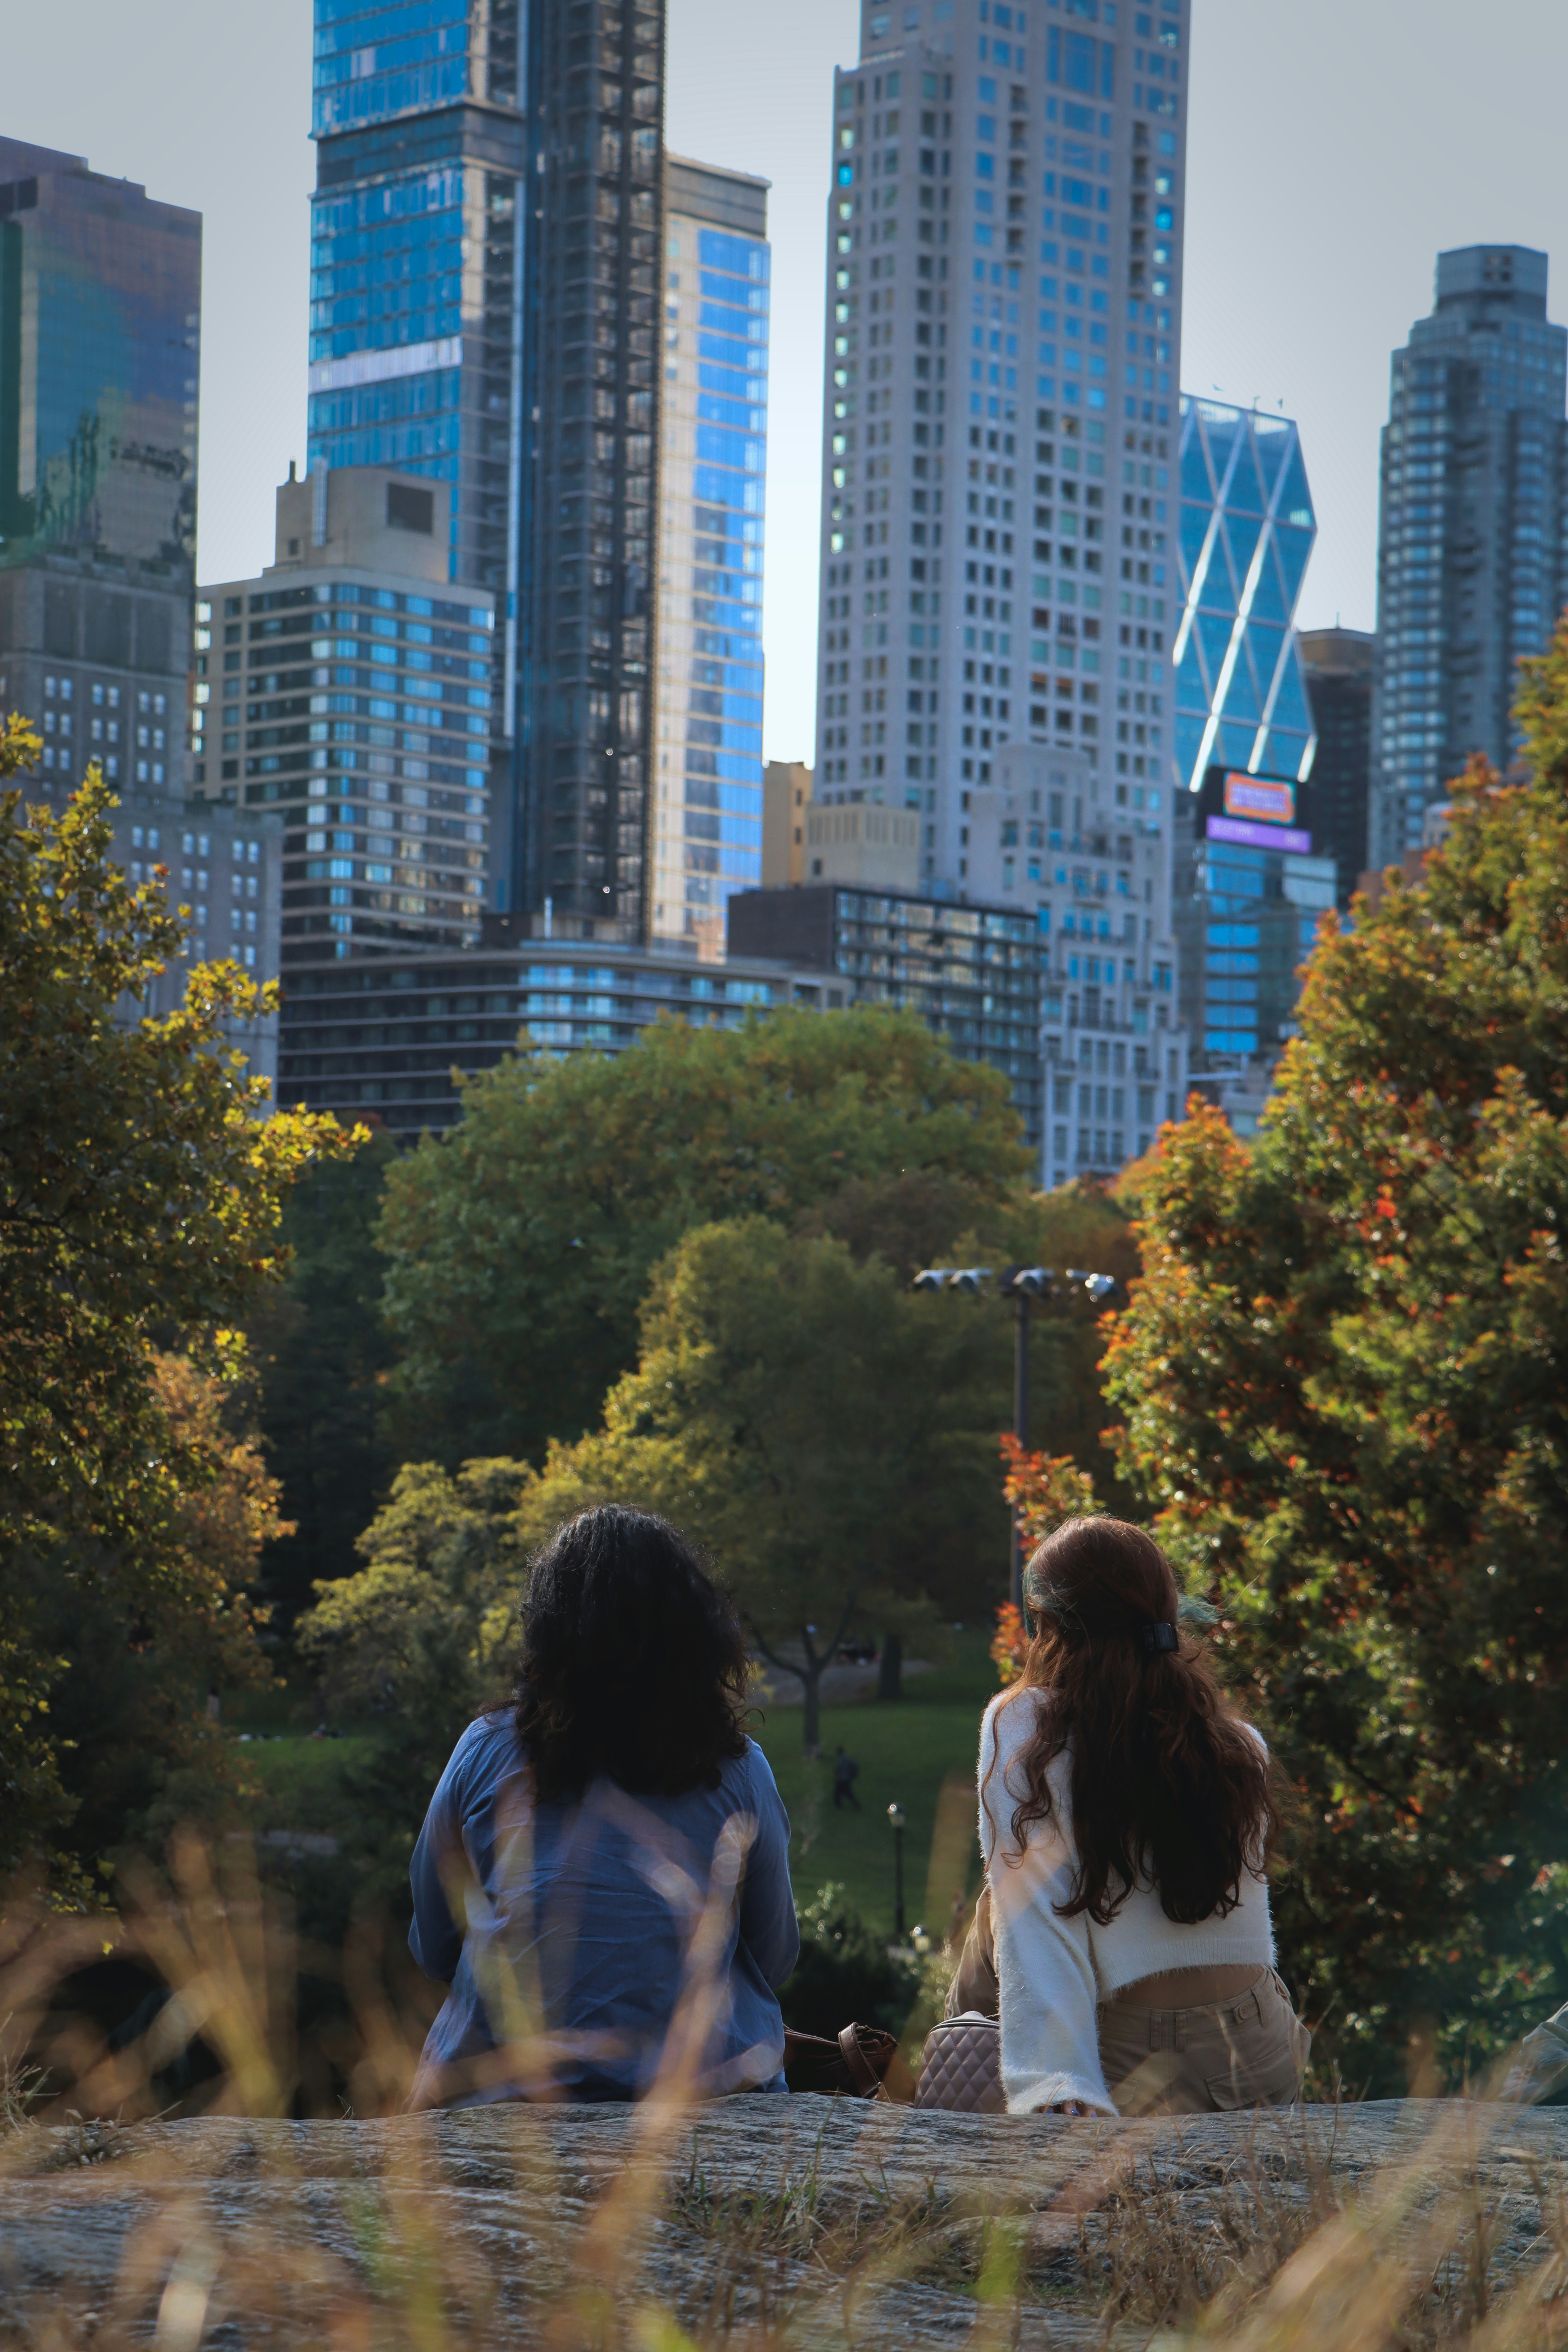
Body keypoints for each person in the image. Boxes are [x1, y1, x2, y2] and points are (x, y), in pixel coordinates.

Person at [407, 1506, 800, 2107]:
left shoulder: (484, 1750)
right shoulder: (739, 1770)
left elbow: (433, 1944)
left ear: (547, 1632)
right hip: (697, 2102)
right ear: (696, 1635)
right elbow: (774, 1957)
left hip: (493, 2099)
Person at [971, 1515, 1309, 2117]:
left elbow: (1037, 1932)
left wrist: (1057, 2086)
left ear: (1049, 1628)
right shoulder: (1239, 1747)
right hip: (1261, 2052)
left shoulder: (1019, 1730)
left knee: (994, 1909)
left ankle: (950, 2055)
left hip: (1136, 2061)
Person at [832, 1745, 861, 1810]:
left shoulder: (841, 1760)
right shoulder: (847, 1758)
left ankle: (839, 1805)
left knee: (842, 1792)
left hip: (842, 1779)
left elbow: (839, 1769)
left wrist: (836, 1773)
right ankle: (839, 1805)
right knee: (842, 1792)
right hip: (847, 1779)